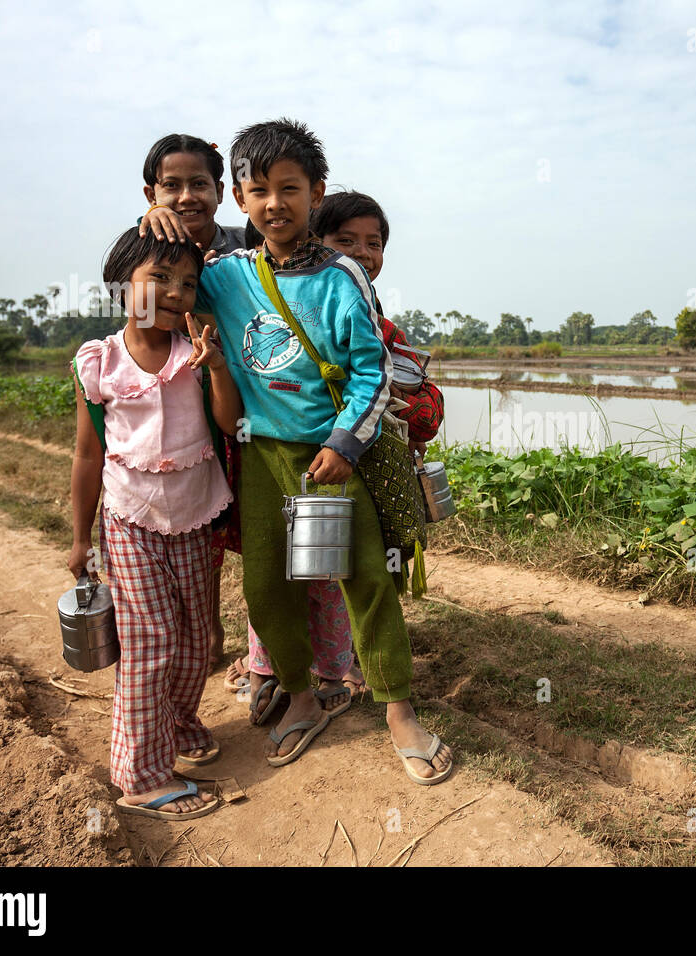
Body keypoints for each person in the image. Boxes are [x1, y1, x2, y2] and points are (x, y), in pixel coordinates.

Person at [142, 118, 453, 782]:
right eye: (259, 191)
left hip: (328, 458)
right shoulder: (224, 275)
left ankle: (399, 712)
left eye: (290, 189)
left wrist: (344, 443)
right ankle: (303, 697)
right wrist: (157, 213)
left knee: (364, 579)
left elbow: (370, 371)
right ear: (241, 202)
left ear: (317, 192)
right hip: (261, 457)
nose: (275, 204)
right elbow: (159, 269)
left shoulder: (342, 277)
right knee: (266, 585)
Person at [231, 191, 446, 708]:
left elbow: (428, 403)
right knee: (281, 571)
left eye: (374, 243)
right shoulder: (268, 295)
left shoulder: (378, 322)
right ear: (316, 242)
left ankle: (343, 666)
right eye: (346, 240)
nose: (363, 253)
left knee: (350, 571)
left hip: (356, 459)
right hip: (290, 456)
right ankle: (273, 668)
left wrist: (403, 409)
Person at [68, 228, 242, 818]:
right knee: (150, 641)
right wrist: (77, 537)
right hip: (130, 520)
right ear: (123, 287)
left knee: (198, 640)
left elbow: (227, 422)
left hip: (195, 516)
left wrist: (217, 367)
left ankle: (181, 725)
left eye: (188, 283)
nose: (175, 292)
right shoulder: (100, 363)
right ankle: (140, 774)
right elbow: (87, 455)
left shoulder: (193, 353)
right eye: (159, 278)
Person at [140, 133, 245, 667]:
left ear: (221, 191)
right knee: (197, 541)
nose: (187, 197)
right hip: (188, 421)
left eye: (199, 183)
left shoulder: (245, 243)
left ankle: (267, 652)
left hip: (250, 410)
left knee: (259, 534)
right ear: (149, 193)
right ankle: (207, 639)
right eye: (171, 185)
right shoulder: (145, 255)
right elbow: (138, 330)